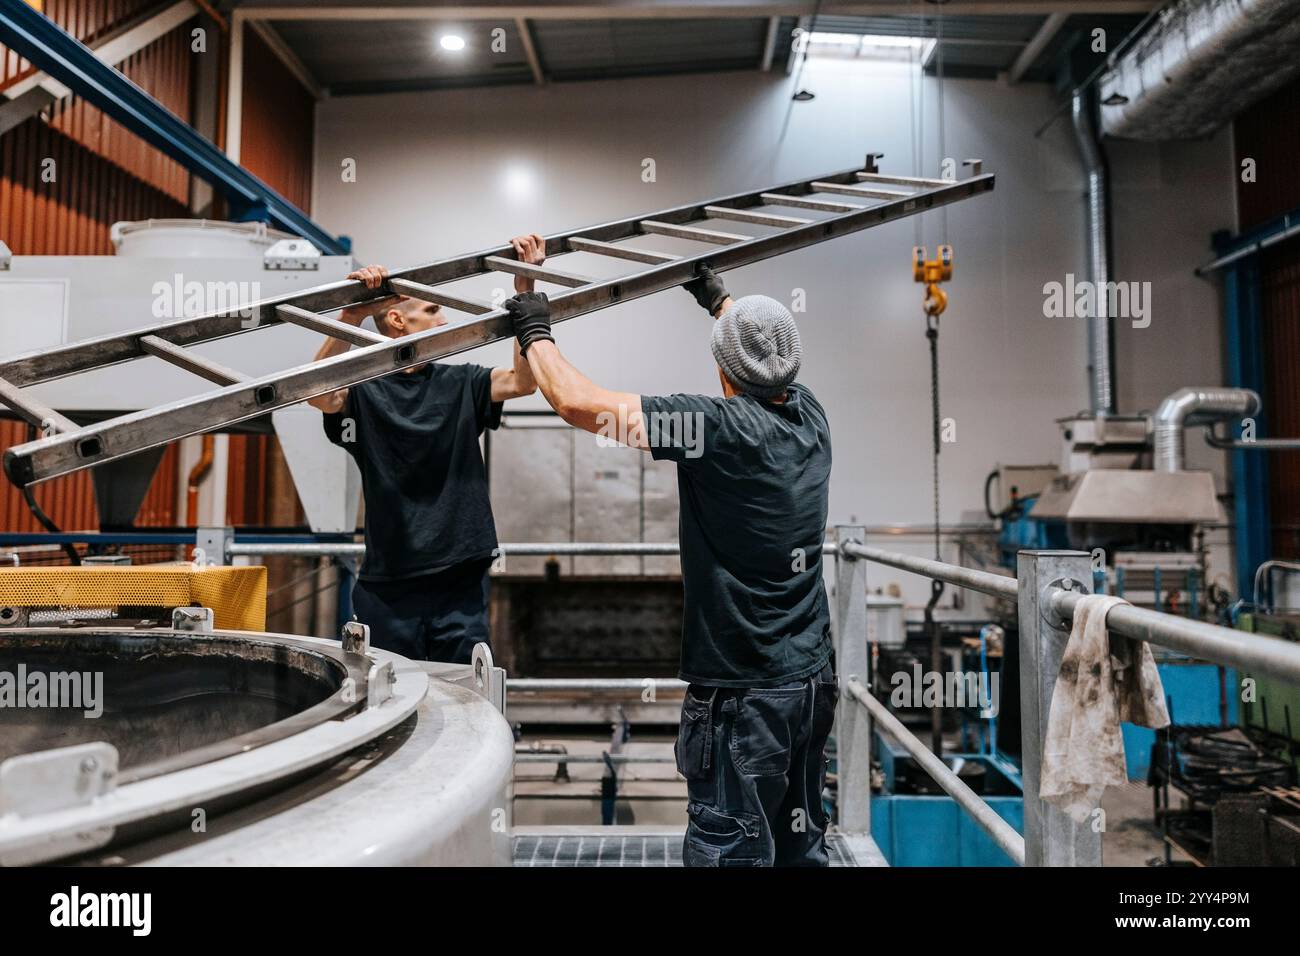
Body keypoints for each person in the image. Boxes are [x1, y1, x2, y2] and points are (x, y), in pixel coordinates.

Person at [503, 264, 836, 867]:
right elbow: (761, 352)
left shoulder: (715, 428)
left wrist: (534, 328)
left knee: (731, 848)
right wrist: (718, 302)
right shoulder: (811, 417)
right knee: (798, 844)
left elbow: (580, 404)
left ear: (720, 371)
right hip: (809, 685)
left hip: (744, 694)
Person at [307, 235, 545, 663]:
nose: (444, 319)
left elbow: (523, 382)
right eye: (432, 310)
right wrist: (352, 315)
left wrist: (524, 292)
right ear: (398, 320)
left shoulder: (461, 382)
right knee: (392, 699)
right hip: (389, 584)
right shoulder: (363, 391)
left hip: (460, 578)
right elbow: (318, 395)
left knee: (464, 697)